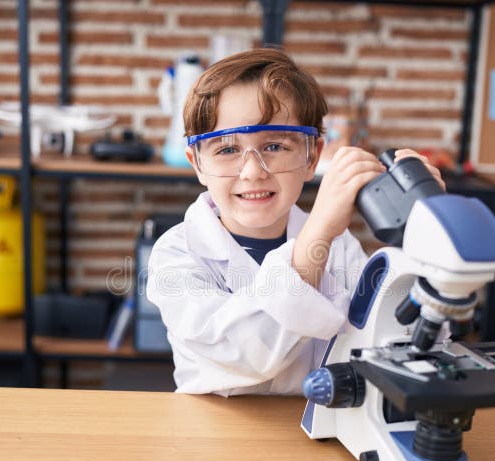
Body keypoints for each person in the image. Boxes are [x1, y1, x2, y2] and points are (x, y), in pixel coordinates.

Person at [146, 48, 443, 396]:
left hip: (311, 433)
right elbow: (243, 356)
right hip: (212, 437)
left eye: (274, 146)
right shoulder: (176, 253)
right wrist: (317, 235)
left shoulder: (341, 248)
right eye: (226, 150)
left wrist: (427, 242)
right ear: (197, 164)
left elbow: (390, 341)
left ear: (311, 156)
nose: (253, 171)